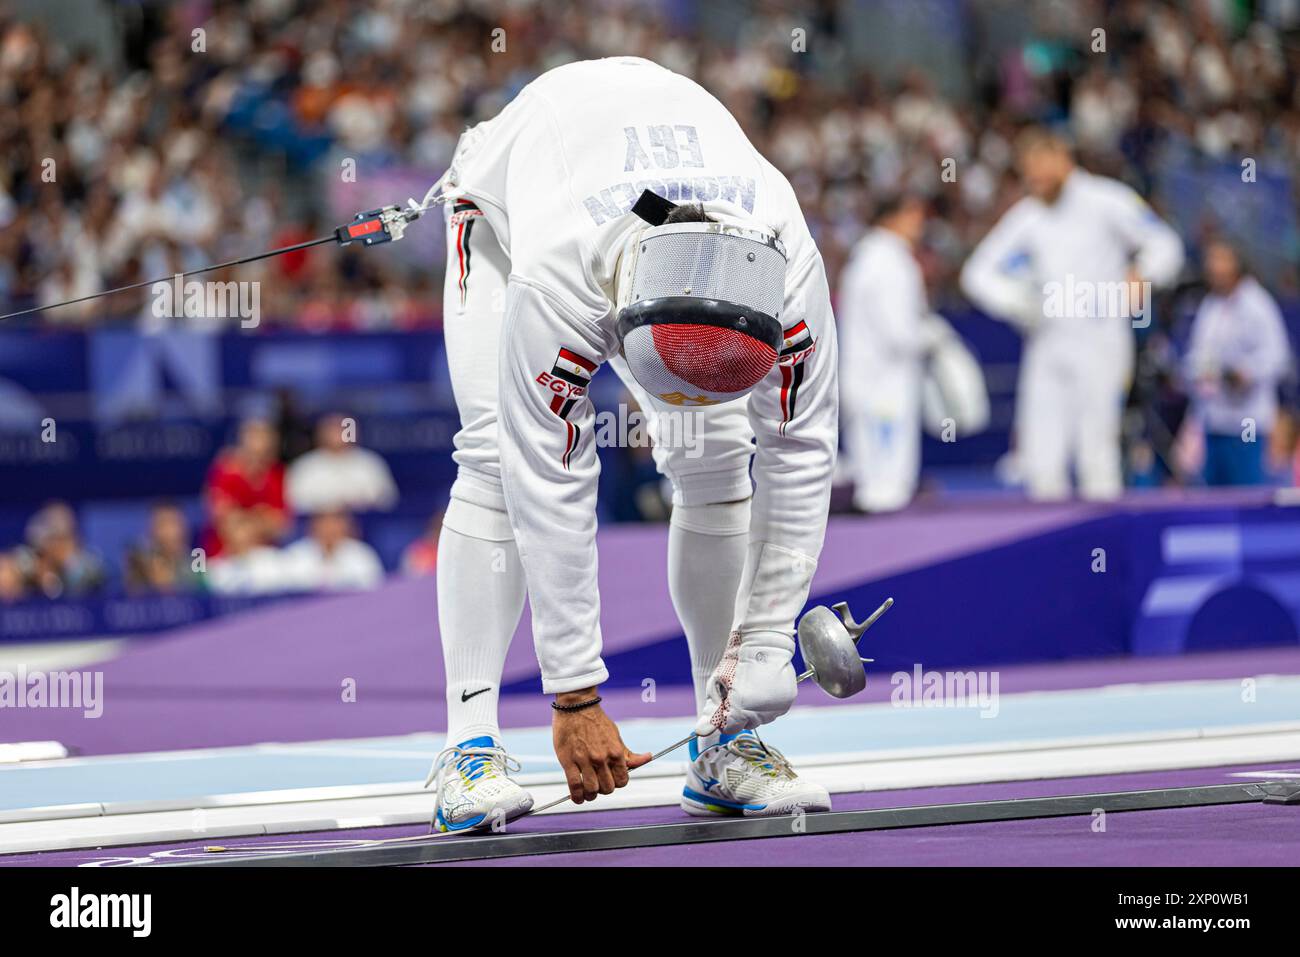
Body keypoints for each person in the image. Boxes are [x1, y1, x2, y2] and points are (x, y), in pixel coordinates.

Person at [423, 57, 838, 832]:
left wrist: (771, 636)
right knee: (488, 460)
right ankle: (467, 744)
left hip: (660, 170)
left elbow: (799, 450)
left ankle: (725, 741)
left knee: (717, 462)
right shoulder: (557, 282)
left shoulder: (790, 272)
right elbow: (547, 472)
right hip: (507, 208)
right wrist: (575, 694)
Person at [960, 128, 1185, 500]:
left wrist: (1141, 276)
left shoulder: (1108, 200)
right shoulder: (1028, 215)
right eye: (1031, 177)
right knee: (1040, 456)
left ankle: (1104, 548)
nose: (1038, 184)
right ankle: (1051, 548)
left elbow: (1165, 244)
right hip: (1047, 343)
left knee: (1096, 450)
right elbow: (977, 274)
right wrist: (1019, 302)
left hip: (1100, 339)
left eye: (1044, 175)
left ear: (1064, 161)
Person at [837, 195, 930, 512]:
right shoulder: (890, 263)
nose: (920, 224)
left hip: (866, 377)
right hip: (884, 382)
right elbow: (900, 334)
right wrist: (933, 337)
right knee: (886, 486)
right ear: (892, 217)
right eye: (913, 215)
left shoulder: (866, 258)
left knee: (873, 475)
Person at [1184, 240, 1292, 485]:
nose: (1214, 267)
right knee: (1212, 494)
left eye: (1221, 260)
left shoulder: (1257, 304)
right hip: (1213, 419)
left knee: (1246, 486)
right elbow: (1196, 355)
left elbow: (1278, 356)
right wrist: (1198, 372)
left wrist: (1248, 373)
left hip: (1247, 420)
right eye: (1210, 261)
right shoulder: (1210, 305)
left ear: (1237, 264)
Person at [201, 419, 290, 558]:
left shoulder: (276, 474)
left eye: (263, 455)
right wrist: (261, 516)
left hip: (266, 554)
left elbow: (281, 525)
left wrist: (244, 520)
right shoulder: (225, 470)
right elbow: (224, 519)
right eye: (252, 454)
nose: (257, 461)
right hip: (224, 553)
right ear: (242, 448)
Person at [285, 413, 399, 514]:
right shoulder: (304, 465)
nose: (338, 434)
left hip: (365, 528)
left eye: (344, 428)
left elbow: (387, 500)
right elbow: (294, 503)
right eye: (333, 429)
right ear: (320, 433)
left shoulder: (370, 463)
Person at [281, 509, 386, 591]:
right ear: (313, 525)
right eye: (323, 521)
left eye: (335, 521)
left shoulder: (362, 554)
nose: (329, 527)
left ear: (345, 526)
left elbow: (373, 589)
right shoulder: (295, 555)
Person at [125, 501, 204, 594]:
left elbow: (202, 594)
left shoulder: (197, 558)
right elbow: (132, 594)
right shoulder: (138, 558)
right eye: (164, 525)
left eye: (176, 523)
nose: (172, 532)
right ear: (152, 530)